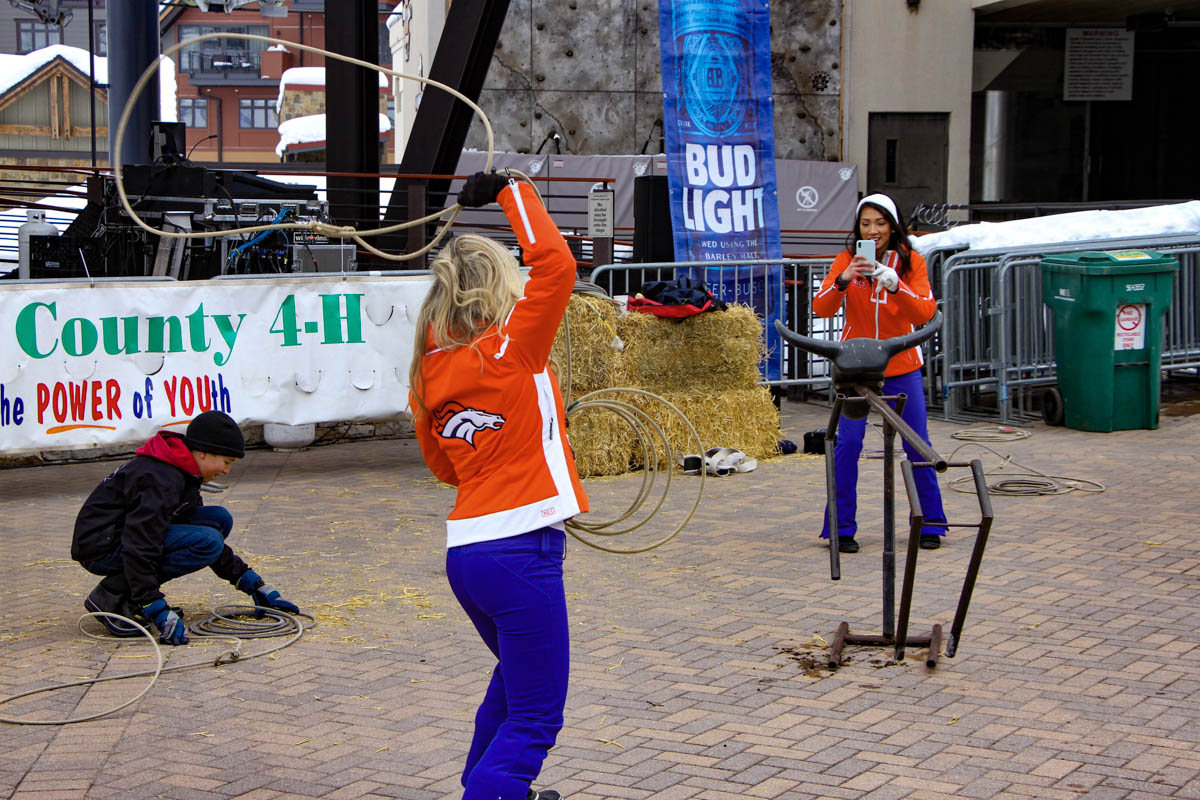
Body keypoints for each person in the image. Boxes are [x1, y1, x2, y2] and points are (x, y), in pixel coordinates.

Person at [408, 171, 587, 800]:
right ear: (496, 288)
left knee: (514, 687)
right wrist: (512, 189)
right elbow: (557, 265)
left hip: (469, 554)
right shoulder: (510, 349)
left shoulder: (428, 374)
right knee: (538, 717)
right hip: (520, 548)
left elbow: (442, 466)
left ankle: (483, 790)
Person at [71, 410, 300, 644]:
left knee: (217, 520)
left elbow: (183, 534)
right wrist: (155, 606)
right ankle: (111, 595)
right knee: (207, 541)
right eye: (226, 461)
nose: (227, 471)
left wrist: (253, 583)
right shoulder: (161, 479)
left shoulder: (184, 471)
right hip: (101, 548)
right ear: (203, 453)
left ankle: (126, 594)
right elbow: (140, 543)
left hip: (120, 539)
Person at [812, 193, 947, 553]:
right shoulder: (846, 259)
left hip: (901, 365)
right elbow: (821, 308)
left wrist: (895, 284)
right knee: (847, 444)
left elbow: (924, 312)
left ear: (893, 225)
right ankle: (840, 528)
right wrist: (842, 280)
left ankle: (930, 523)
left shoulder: (911, 261)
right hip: (854, 366)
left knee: (916, 443)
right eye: (865, 223)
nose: (873, 231)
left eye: (880, 223)